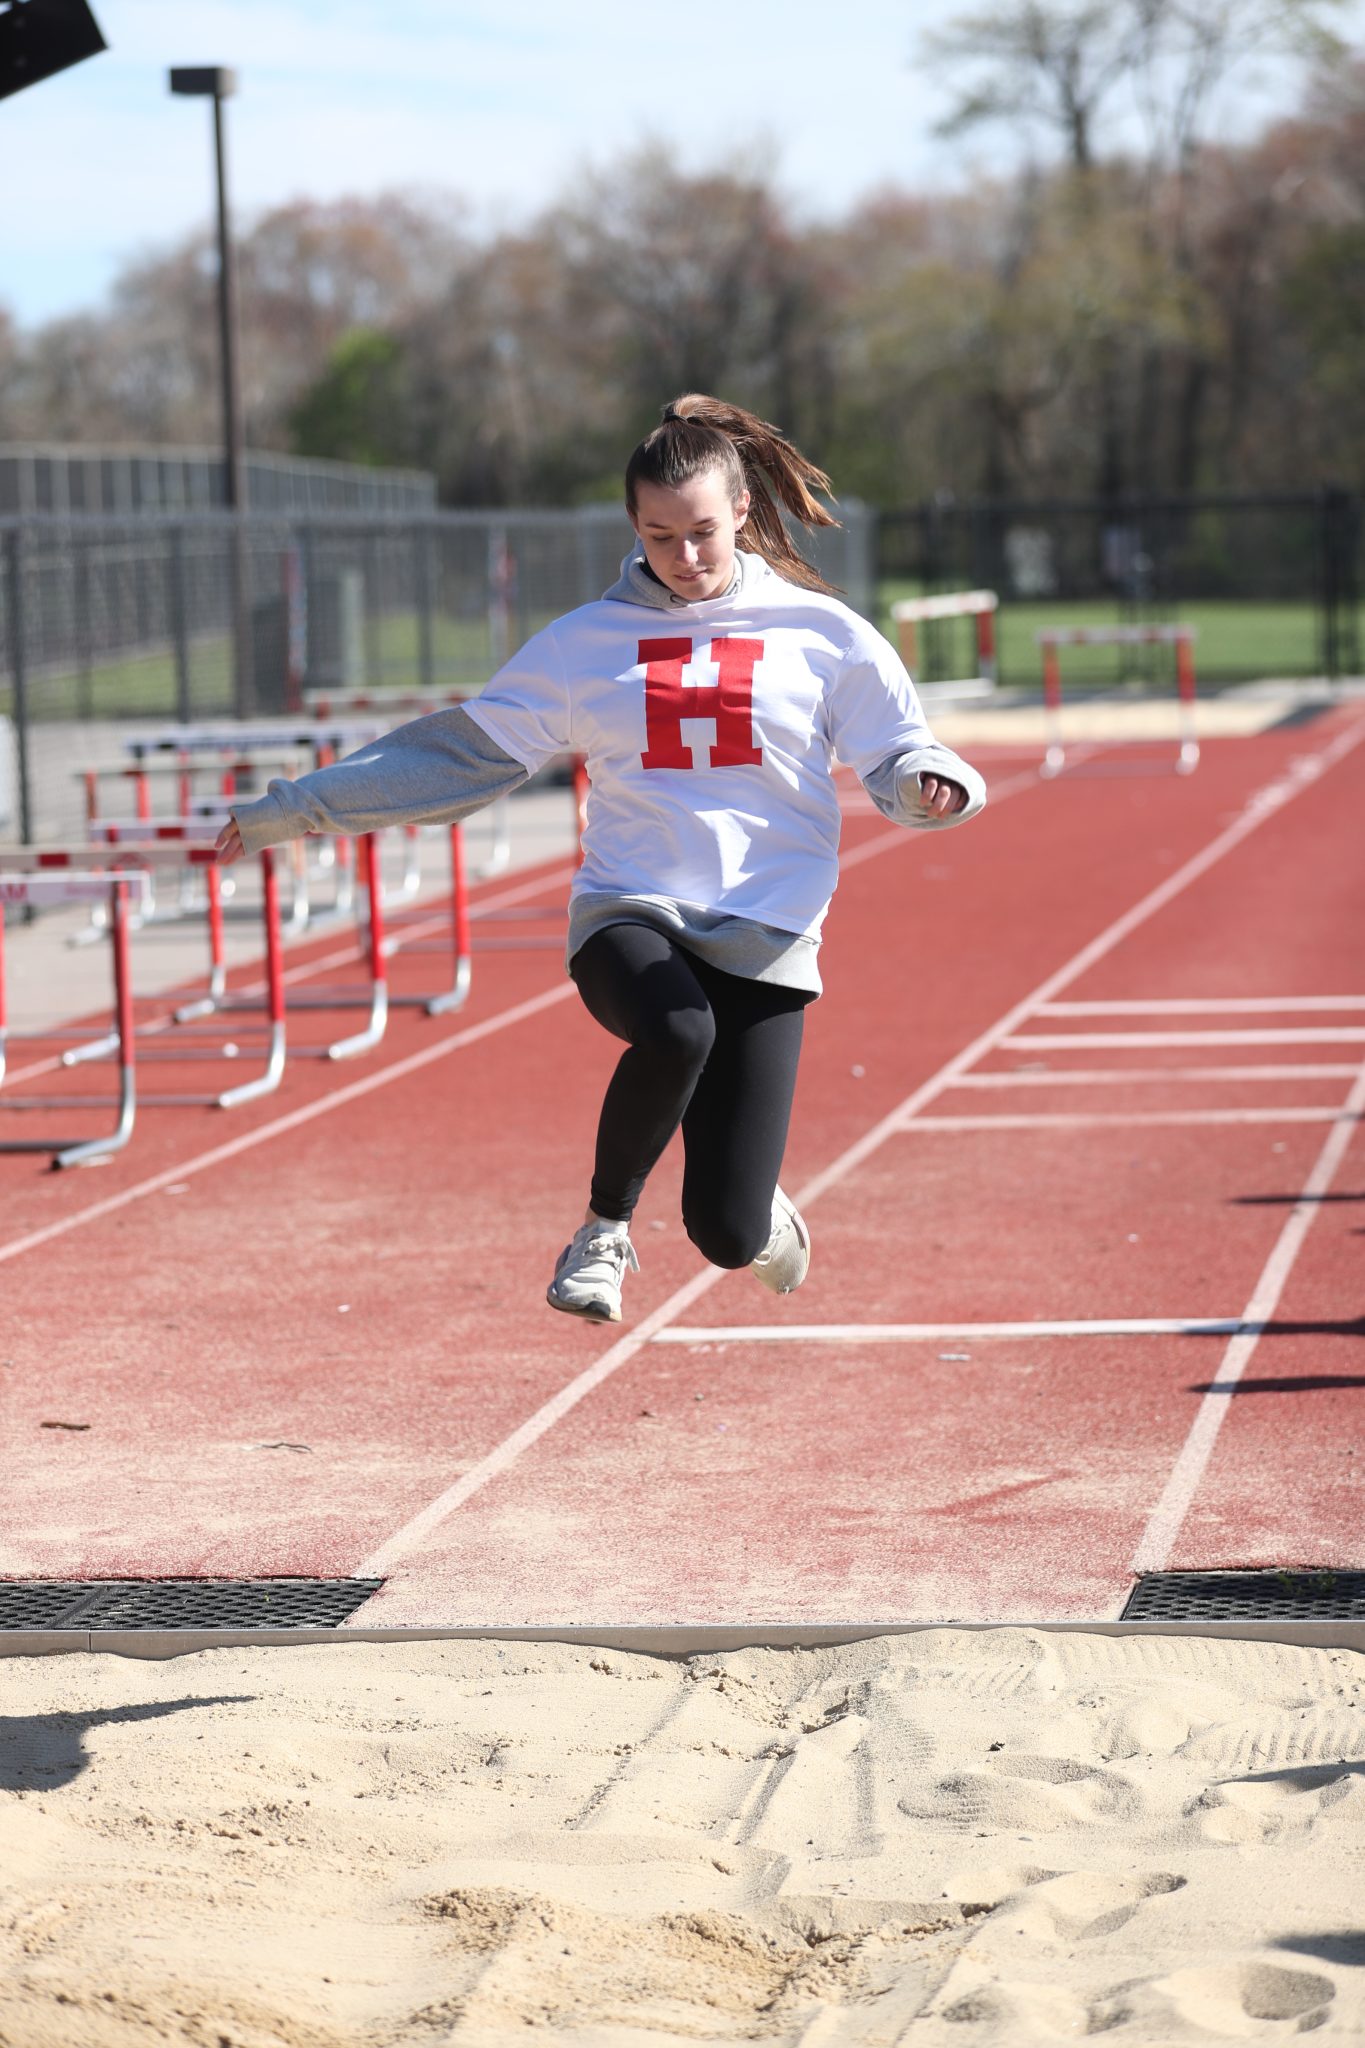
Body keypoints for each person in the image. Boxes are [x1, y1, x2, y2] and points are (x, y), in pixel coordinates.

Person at [216, 395, 986, 1325]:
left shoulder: (820, 634)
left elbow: (898, 746)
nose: (686, 557)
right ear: (633, 526)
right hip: (631, 910)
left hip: (769, 928)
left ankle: (752, 1209)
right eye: (660, 536)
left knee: (727, 1235)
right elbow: (459, 756)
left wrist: (925, 784)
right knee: (678, 1030)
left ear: (741, 512)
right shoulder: (586, 643)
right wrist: (299, 808)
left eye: (702, 532)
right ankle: (601, 1232)